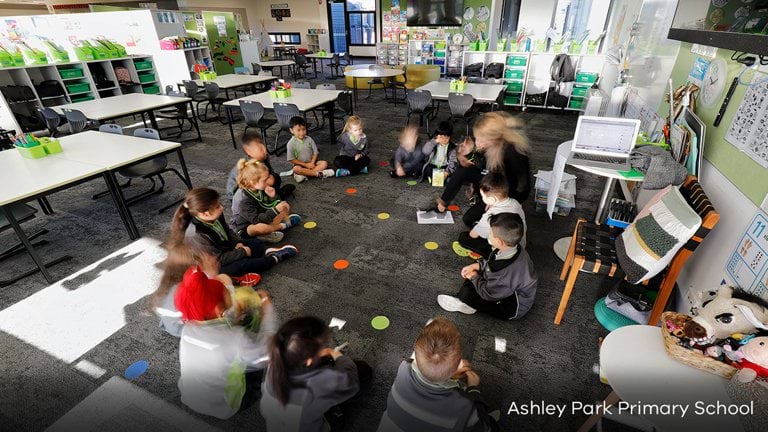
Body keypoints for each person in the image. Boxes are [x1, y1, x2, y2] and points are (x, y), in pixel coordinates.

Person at [176, 264, 278, 419]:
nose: (231, 293)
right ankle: (253, 394)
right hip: (224, 406)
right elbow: (267, 355)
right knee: (257, 351)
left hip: (189, 397)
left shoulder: (187, 329)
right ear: (219, 310)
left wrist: (233, 314)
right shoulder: (235, 338)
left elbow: (215, 327)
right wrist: (267, 311)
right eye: (227, 293)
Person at [377, 317, 498, 432]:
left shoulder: (403, 367)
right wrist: (473, 389)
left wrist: (448, 375)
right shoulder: (463, 406)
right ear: (458, 364)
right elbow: (481, 426)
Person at [261, 316, 373, 431]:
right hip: (315, 425)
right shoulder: (317, 385)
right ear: (308, 360)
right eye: (320, 346)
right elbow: (351, 382)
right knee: (363, 371)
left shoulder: (275, 363)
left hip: (280, 423)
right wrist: (336, 355)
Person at [172, 187, 298, 277]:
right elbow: (217, 260)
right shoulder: (196, 235)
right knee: (241, 264)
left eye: (219, 204)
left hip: (225, 250)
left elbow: (228, 231)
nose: (222, 207)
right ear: (204, 213)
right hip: (212, 265)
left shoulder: (215, 215)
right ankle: (274, 258)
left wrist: (237, 242)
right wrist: (242, 252)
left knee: (256, 244)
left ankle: (265, 251)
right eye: (217, 206)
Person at [434, 112, 531, 227]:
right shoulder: (489, 143)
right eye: (476, 139)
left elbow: (521, 187)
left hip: (509, 190)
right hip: (492, 177)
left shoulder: (513, 152)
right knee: (462, 171)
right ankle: (443, 202)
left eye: (481, 140)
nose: (477, 143)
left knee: (468, 219)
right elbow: (480, 159)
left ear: (494, 138)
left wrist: (498, 200)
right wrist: (466, 156)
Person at [438, 213, 537, 320]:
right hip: (511, 289)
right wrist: (478, 266)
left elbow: (488, 294)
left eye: (490, 233)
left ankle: (466, 303)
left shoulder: (503, 274)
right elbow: (492, 262)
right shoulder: (515, 248)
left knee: (466, 293)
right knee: (475, 274)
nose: (488, 235)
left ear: (499, 241)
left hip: (511, 308)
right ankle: (473, 292)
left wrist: (473, 277)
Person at [231, 159, 302, 244]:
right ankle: (282, 226)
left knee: (284, 206)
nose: (268, 181)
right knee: (262, 228)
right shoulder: (243, 200)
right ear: (252, 182)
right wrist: (275, 210)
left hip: (262, 215)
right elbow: (256, 220)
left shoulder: (258, 187)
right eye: (265, 180)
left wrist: (274, 197)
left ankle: (271, 229)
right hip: (247, 226)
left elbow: (268, 204)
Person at [456, 173, 526, 258]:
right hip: (519, 245)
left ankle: (489, 255)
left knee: (464, 238)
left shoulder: (490, 215)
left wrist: (478, 228)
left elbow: (473, 235)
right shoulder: (515, 202)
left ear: (492, 199)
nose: (482, 199)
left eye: (483, 196)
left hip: (502, 252)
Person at [226, 131, 294, 201]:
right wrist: (267, 182)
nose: (265, 150)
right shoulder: (249, 166)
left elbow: (269, 172)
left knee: (276, 178)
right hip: (241, 195)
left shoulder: (264, 157)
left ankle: (274, 195)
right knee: (267, 184)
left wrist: (271, 178)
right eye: (260, 148)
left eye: (264, 145)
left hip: (257, 183)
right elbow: (250, 188)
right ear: (248, 152)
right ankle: (270, 200)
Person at [286, 116, 335, 183]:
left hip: (312, 163)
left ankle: (304, 175)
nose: (302, 133)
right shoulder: (290, 143)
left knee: (324, 163)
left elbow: (315, 152)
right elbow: (291, 159)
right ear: (291, 130)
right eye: (298, 130)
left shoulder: (309, 139)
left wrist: (312, 162)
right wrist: (305, 165)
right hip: (301, 165)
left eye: (304, 129)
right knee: (296, 169)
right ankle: (319, 174)